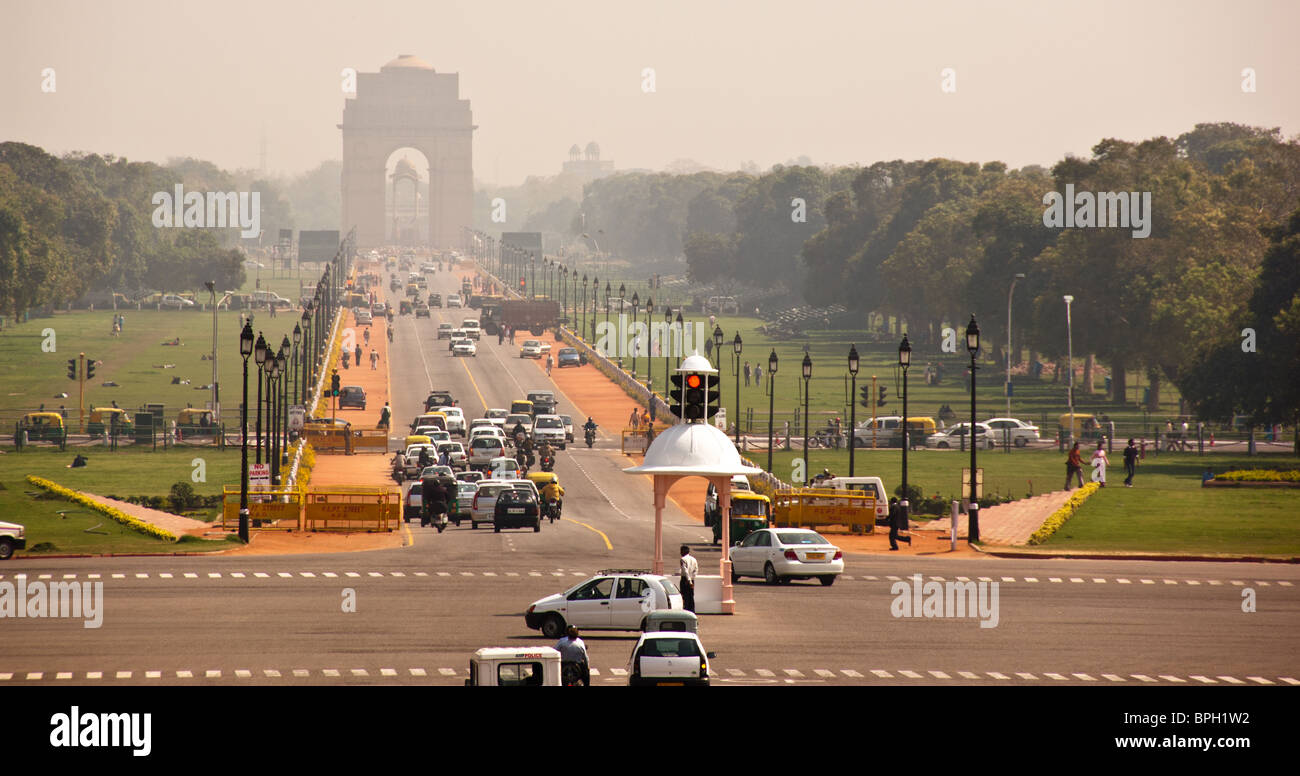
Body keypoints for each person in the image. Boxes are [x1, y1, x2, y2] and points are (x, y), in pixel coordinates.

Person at [679, 545, 698, 612]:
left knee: (684, 596)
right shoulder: (694, 559)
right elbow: (696, 570)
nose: (680, 553)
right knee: (691, 596)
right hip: (692, 580)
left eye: (681, 551)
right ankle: (692, 611)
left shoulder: (683, 559)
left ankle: (686, 611)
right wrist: (691, 579)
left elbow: (685, 570)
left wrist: (688, 580)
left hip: (685, 580)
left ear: (683, 551)